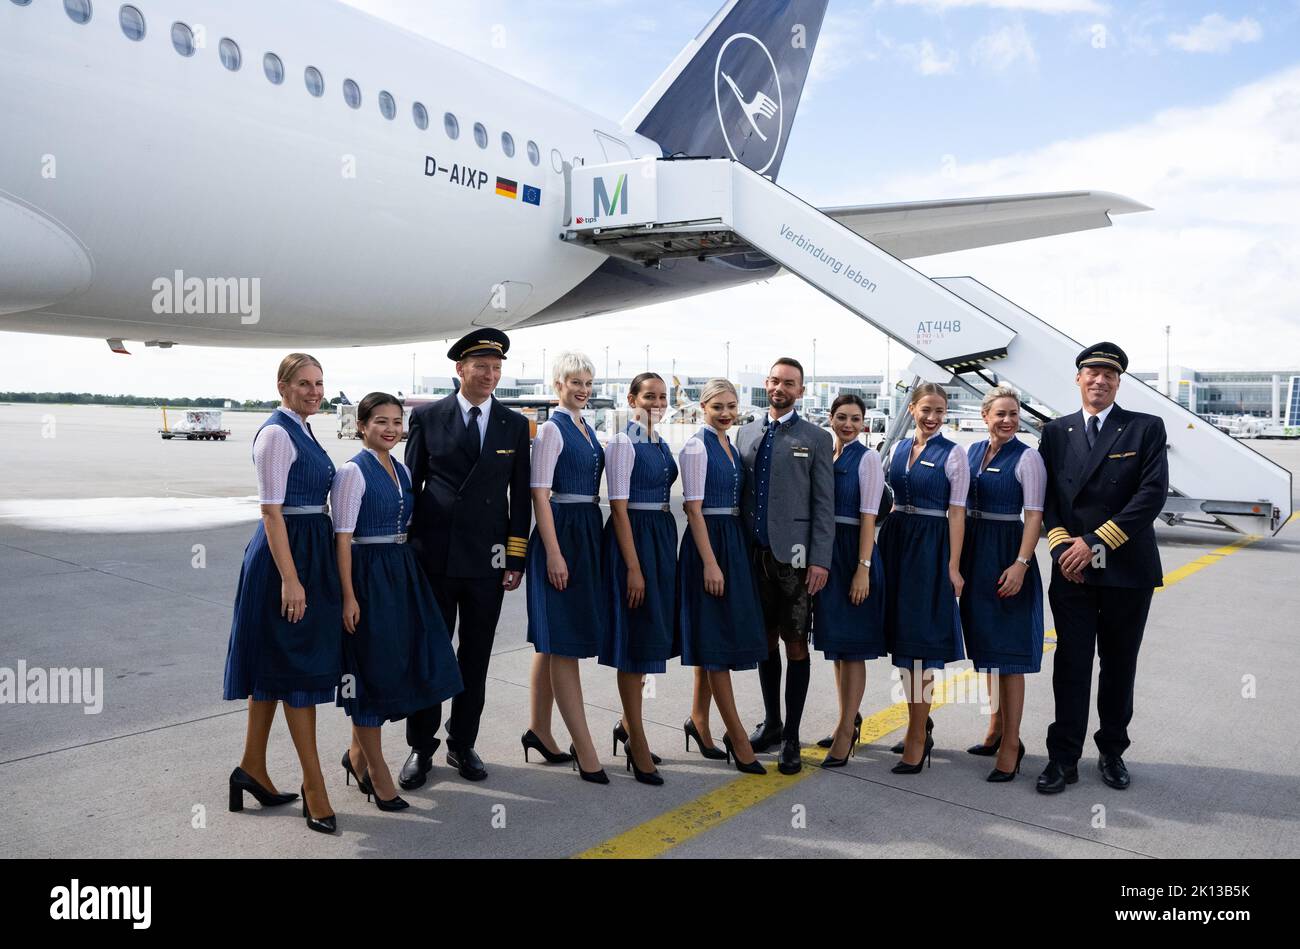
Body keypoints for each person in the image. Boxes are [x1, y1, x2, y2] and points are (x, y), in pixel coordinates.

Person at [400, 329, 533, 788]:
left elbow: (521, 499)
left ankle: (463, 742)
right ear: (460, 369)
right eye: (482, 368)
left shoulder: (513, 425)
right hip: (433, 559)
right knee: (431, 653)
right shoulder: (428, 418)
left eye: (496, 369)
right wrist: (405, 555)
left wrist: (516, 558)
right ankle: (421, 746)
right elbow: (409, 489)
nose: (490, 376)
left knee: (475, 657)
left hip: (488, 562)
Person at [1036, 343, 1169, 794]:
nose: (1100, 380)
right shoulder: (1055, 431)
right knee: (1071, 664)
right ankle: (1063, 757)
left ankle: (1112, 751)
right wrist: (1059, 548)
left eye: (1109, 375)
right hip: (1071, 569)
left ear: (1118, 383)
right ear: (1078, 379)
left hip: (1125, 568)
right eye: (1091, 373)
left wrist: (1093, 543)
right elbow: (1048, 499)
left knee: (1118, 665)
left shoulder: (1144, 428)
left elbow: (1150, 496)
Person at [223, 353, 343, 834]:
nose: (315, 391)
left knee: (278, 666)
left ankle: (252, 767)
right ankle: (315, 787)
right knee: (297, 670)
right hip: (284, 559)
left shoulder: (303, 427)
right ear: (282, 385)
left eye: (320, 383)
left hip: (307, 551)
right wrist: (291, 579)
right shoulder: (276, 433)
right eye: (305, 383)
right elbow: (272, 511)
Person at [332, 393, 465, 811]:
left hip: (402, 571)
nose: (390, 429)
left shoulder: (403, 468)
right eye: (380, 422)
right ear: (362, 425)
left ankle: (356, 757)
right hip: (368, 572)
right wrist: (349, 596)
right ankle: (377, 772)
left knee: (398, 666)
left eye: (396, 422)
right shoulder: (353, 472)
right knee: (370, 671)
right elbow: (342, 539)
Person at [737, 358, 835, 775]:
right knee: (764, 643)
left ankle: (792, 735)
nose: (780, 388)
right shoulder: (746, 431)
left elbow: (823, 504)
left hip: (794, 561)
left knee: (795, 645)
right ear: (766, 384)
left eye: (789, 383)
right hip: (752, 555)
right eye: (775, 381)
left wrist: (819, 559)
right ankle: (772, 722)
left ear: (801, 390)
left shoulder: (815, 437)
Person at [678, 379, 770, 775]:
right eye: (718, 407)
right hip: (709, 545)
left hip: (731, 541)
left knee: (715, 637)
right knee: (716, 641)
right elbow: (694, 509)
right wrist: (711, 563)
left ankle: (699, 721)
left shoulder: (729, 445)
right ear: (703, 407)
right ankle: (737, 736)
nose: (727, 413)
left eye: (732, 406)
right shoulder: (697, 447)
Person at [877, 382, 968, 775]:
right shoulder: (897, 449)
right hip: (896, 540)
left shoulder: (955, 455)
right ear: (912, 408)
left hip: (931, 547)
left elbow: (958, 513)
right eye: (926, 409)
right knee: (902, 640)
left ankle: (916, 736)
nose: (932, 418)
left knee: (921, 642)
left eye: (939, 411)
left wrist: (953, 565)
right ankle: (920, 722)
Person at [525, 352, 608, 784]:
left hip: (585, 530)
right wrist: (554, 553)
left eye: (588, 382)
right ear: (557, 384)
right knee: (567, 642)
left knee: (553, 640)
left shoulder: (583, 426)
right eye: (575, 381)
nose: (583, 389)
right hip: (563, 534)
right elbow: (539, 494)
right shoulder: (553, 431)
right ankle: (587, 749)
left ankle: (539, 729)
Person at [958, 385, 1046, 782]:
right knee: (990, 649)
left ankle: (1012, 743)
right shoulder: (972, 453)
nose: (1008, 420)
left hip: (1008, 553)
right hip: (976, 554)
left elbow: (1034, 515)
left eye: (1013, 414)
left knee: (1010, 656)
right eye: (1001, 414)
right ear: (985, 417)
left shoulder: (1028, 458)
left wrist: (1021, 564)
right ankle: (995, 728)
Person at [600, 372, 678, 786]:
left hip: (660, 539)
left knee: (649, 638)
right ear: (632, 398)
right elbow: (618, 507)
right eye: (649, 396)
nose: (657, 403)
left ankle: (628, 725)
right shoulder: (623, 441)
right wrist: (633, 566)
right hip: (635, 542)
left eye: (663, 397)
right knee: (634, 642)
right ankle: (637, 739)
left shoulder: (658, 440)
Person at [810, 394, 886, 769]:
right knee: (838, 647)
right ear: (831, 418)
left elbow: (869, 516)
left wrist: (863, 567)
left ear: (864, 422)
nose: (848, 424)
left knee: (853, 648)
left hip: (855, 553)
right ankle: (846, 719)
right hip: (829, 554)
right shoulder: (830, 455)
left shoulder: (867, 458)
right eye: (841, 417)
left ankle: (845, 733)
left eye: (855, 419)